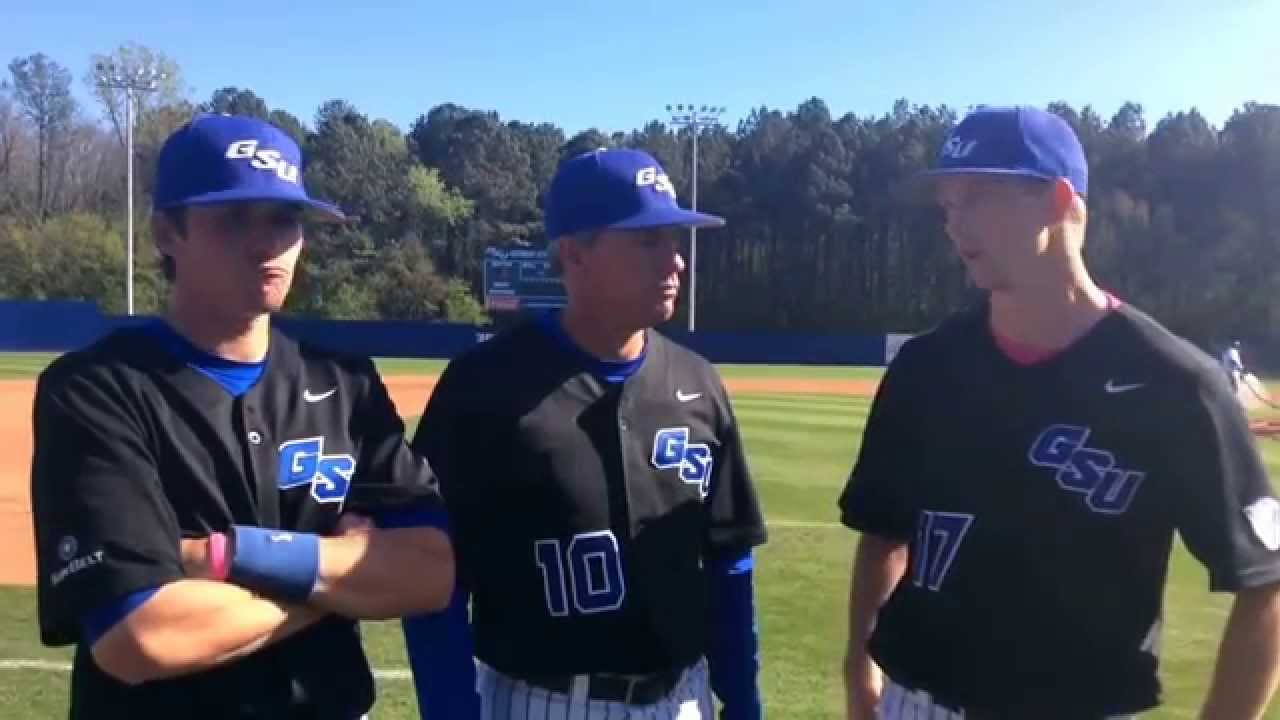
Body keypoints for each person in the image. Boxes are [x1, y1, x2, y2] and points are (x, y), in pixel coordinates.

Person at [838, 106, 1280, 720]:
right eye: (947, 203)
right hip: (918, 702)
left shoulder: (1178, 384)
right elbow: (882, 534)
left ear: (1056, 199)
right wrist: (860, 675)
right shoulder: (925, 369)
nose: (953, 222)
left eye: (977, 197)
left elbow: (1264, 584)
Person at [29, 113, 455, 720]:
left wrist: (231, 558)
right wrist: (338, 581)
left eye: (284, 219)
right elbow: (141, 637)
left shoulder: (345, 384)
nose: (267, 243)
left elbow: (428, 574)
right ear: (166, 232)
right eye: (233, 218)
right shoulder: (97, 391)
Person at [401, 148, 769, 719]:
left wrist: (744, 703)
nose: (676, 262)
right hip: (543, 702)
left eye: (675, 239)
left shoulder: (698, 381)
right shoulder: (484, 386)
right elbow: (432, 574)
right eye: (648, 241)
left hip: (682, 699)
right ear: (574, 254)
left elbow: (729, 561)